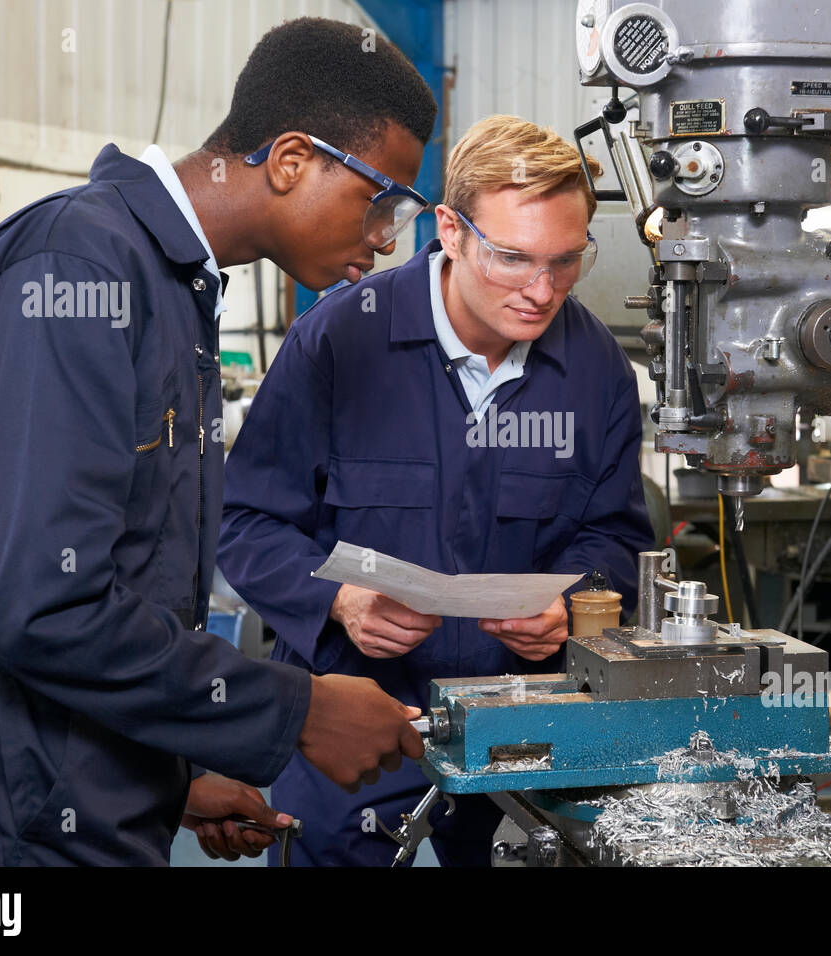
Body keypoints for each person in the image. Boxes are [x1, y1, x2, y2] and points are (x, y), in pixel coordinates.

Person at [0, 17, 438, 866]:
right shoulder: (77, 265)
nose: (388, 237)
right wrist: (300, 710)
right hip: (3, 818)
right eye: (382, 199)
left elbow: (118, 583)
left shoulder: (175, 291)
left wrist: (167, 777)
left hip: (77, 785)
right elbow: (35, 608)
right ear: (292, 161)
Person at [219, 115, 656, 866]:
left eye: (566, 260)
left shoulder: (597, 371)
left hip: (526, 728)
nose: (543, 290)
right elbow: (248, 522)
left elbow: (615, 538)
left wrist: (571, 607)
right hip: (362, 721)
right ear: (450, 230)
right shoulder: (339, 341)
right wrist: (339, 602)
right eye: (514, 259)